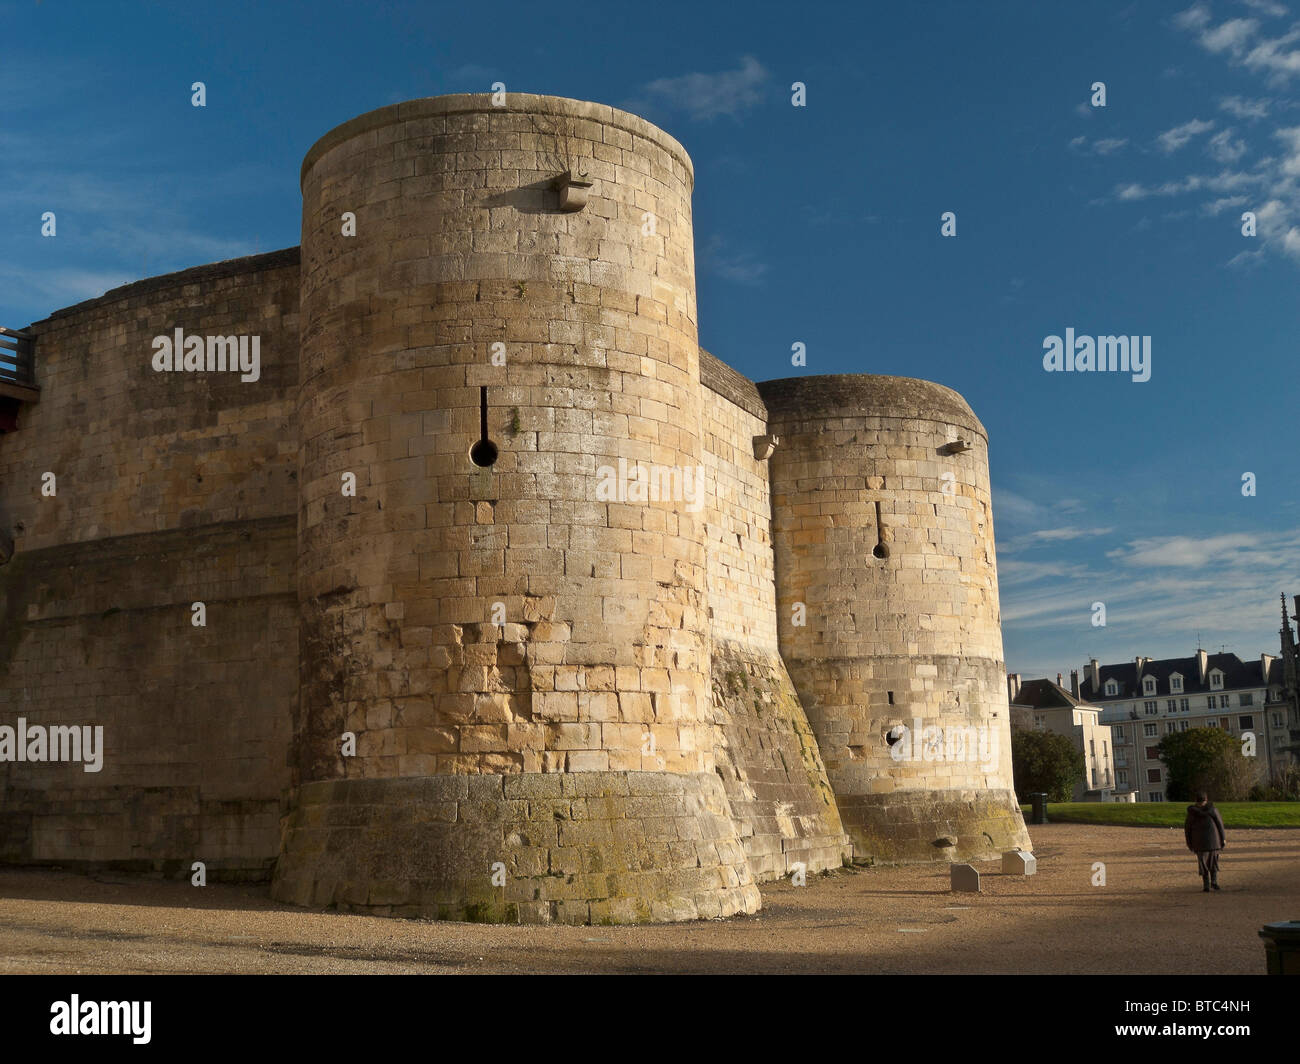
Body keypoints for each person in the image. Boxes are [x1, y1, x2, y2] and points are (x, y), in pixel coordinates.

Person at [1183, 792, 1226, 892]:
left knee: (1207, 863)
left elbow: (1187, 829)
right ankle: (1210, 883)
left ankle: (1211, 883)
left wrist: (1189, 843)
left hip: (1206, 842)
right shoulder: (1210, 810)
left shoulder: (1193, 812)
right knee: (1208, 863)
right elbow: (1220, 825)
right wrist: (1223, 839)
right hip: (1208, 842)